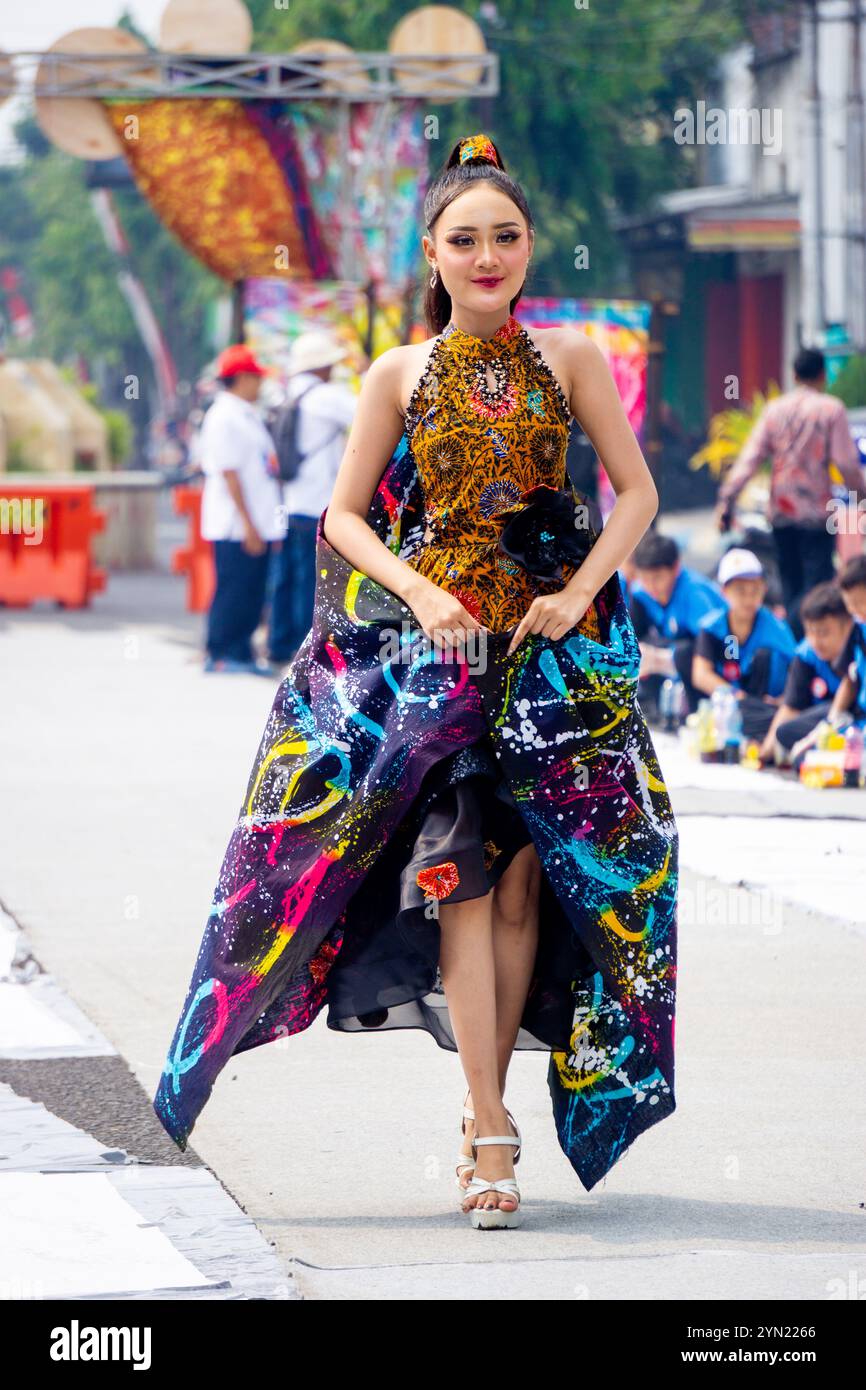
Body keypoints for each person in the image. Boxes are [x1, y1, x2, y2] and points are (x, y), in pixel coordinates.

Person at [153, 133, 679, 1229]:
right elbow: (342, 516)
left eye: (506, 236)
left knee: (535, 884)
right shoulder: (399, 373)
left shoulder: (574, 356)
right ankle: (488, 1123)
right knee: (461, 881)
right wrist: (424, 593)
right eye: (464, 240)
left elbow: (633, 495)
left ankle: (496, 1110)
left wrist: (577, 592)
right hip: (432, 667)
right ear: (430, 253)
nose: (487, 256)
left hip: (553, 669)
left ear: (527, 246)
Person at [714, 346, 864, 641]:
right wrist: (862, 495)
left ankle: (795, 647)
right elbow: (846, 462)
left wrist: (726, 501)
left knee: (792, 586)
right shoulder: (830, 409)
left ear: (794, 375)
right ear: (823, 375)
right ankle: (805, 648)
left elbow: (750, 460)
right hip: (817, 516)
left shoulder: (774, 411)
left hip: (782, 515)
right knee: (817, 588)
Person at [268, 330, 358, 666]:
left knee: (284, 577)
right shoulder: (326, 396)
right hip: (317, 503)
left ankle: (278, 644)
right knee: (311, 580)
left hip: (286, 503)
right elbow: (370, 414)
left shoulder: (283, 393)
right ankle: (302, 649)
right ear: (321, 366)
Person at [198, 344, 286, 674]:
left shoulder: (245, 414)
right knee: (234, 589)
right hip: (236, 525)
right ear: (242, 378)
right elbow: (229, 473)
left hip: (255, 522)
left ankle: (243, 652)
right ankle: (222, 652)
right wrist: (249, 524)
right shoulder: (224, 417)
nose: (260, 385)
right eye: (256, 378)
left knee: (250, 590)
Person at [692, 548, 796, 742]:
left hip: (765, 703)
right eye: (740, 591)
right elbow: (701, 674)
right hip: (730, 700)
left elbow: (799, 668)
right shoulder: (713, 626)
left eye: (755, 590)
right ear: (724, 591)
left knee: (765, 655)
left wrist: (783, 700)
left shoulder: (775, 628)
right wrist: (734, 696)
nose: (749, 599)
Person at [628, 531, 722, 717]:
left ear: (676, 568)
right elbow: (635, 636)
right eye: (645, 578)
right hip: (673, 649)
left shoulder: (695, 594)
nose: (651, 586)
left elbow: (714, 644)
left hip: (718, 656)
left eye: (657, 578)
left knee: (682, 652)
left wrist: (665, 658)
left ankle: (697, 712)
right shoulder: (640, 592)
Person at [787, 555, 866, 767]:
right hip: (858, 720)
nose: (856, 611)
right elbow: (851, 679)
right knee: (802, 757)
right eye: (850, 606)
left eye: (860, 603)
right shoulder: (859, 629)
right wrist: (830, 722)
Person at [765, 582, 854, 766]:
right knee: (781, 730)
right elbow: (791, 707)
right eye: (810, 632)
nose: (816, 641)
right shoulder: (806, 655)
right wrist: (766, 751)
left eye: (823, 633)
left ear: (848, 626)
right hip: (816, 720)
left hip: (850, 718)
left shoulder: (858, 650)